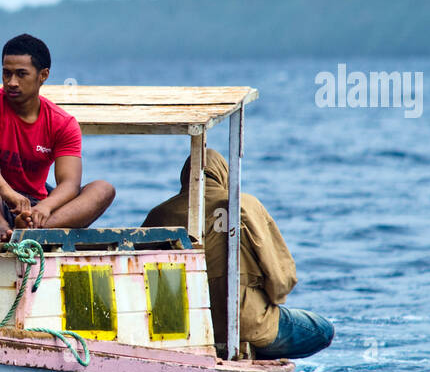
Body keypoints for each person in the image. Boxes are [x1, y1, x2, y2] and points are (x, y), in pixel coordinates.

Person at [142, 148, 333, 360]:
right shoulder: (245, 204)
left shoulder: (160, 214)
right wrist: (271, 298)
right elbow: (281, 278)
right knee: (323, 330)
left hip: (183, 327)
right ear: (223, 174)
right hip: (245, 321)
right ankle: (251, 355)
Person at [0, 34, 115, 242]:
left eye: (21, 74)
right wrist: (6, 191)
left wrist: (45, 207)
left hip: (35, 204)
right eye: (6, 74)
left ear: (43, 75)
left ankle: (29, 230)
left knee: (103, 189)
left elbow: (70, 183)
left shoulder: (62, 122)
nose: (12, 82)